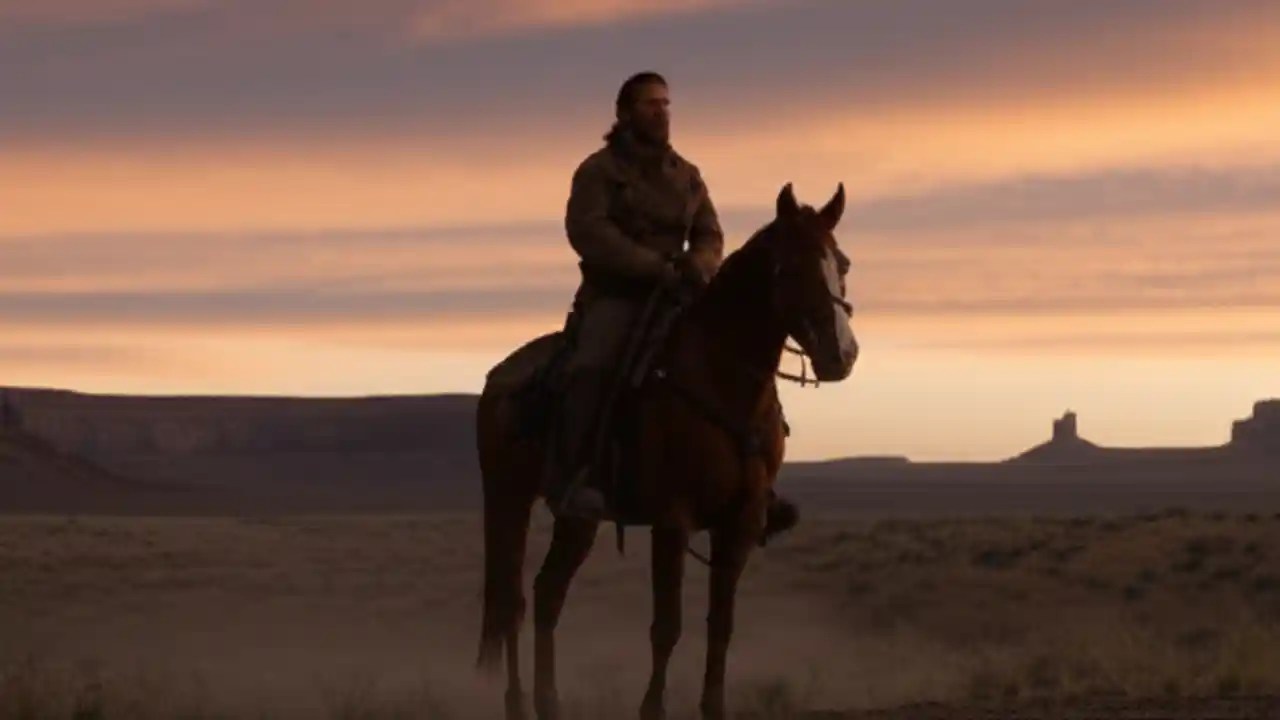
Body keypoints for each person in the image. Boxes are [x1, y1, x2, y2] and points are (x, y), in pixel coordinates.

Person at [549, 71, 724, 519]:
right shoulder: (598, 171)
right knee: (593, 366)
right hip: (619, 295)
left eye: (665, 103)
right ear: (625, 113)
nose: (660, 111)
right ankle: (579, 476)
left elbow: (709, 232)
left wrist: (697, 264)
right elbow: (589, 230)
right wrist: (653, 267)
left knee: (735, 353)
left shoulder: (686, 174)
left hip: (683, 292)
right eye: (650, 103)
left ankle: (754, 479)